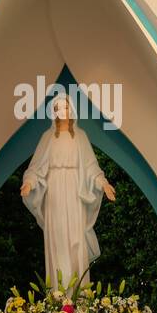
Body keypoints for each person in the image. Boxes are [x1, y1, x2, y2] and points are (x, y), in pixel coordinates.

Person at [20, 94, 115, 287]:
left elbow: (90, 166)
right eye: (57, 108)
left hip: (74, 190)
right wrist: (29, 182)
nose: (61, 111)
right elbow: (36, 166)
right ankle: (58, 293)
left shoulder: (80, 137)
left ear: (70, 110)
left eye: (64, 107)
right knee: (57, 240)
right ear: (53, 112)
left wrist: (103, 183)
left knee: (75, 238)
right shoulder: (47, 138)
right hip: (54, 192)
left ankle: (79, 297)